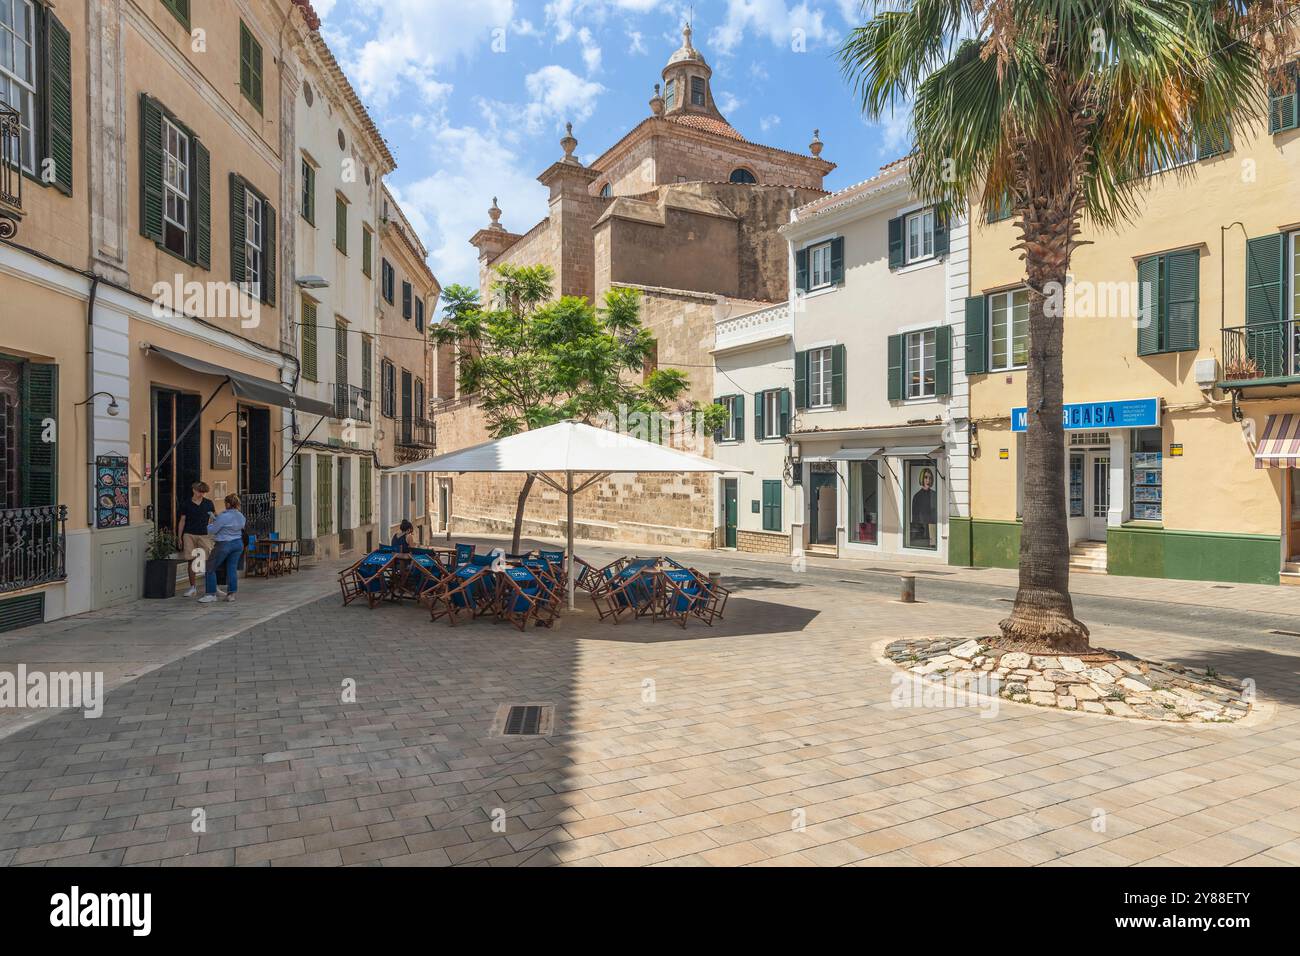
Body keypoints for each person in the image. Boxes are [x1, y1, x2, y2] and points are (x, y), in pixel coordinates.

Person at [199, 494, 246, 604]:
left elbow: (213, 530)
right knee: (232, 568)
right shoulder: (241, 516)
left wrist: (211, 522)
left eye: (225, 503)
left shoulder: (224, 516)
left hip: (224, 544)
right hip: (238, 543)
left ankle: (211, 594)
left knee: (210, 567)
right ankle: (231, 594)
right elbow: (239, 527)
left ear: (228, 504)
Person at [177, 482, 216, 597]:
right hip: (189, 534)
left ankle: (212, 586)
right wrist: (179, 536)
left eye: (203, 492)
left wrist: (213, 533)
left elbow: (214, 519)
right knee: (191, 560)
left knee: (208, 560)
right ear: (194, 490)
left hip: (204, 535)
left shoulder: (208, 503)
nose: (201, 494)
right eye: (200, 491)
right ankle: (192, 587)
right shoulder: (186, 504)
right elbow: (182, 520)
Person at [910, 467, 937, 548]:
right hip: (922, 527)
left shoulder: (935, 494)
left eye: (930, 478)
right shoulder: (917, 496)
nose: (928, 480)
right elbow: (915, 516)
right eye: (925, 477)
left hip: (933, 526)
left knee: (932, 546)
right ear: (922, 478)